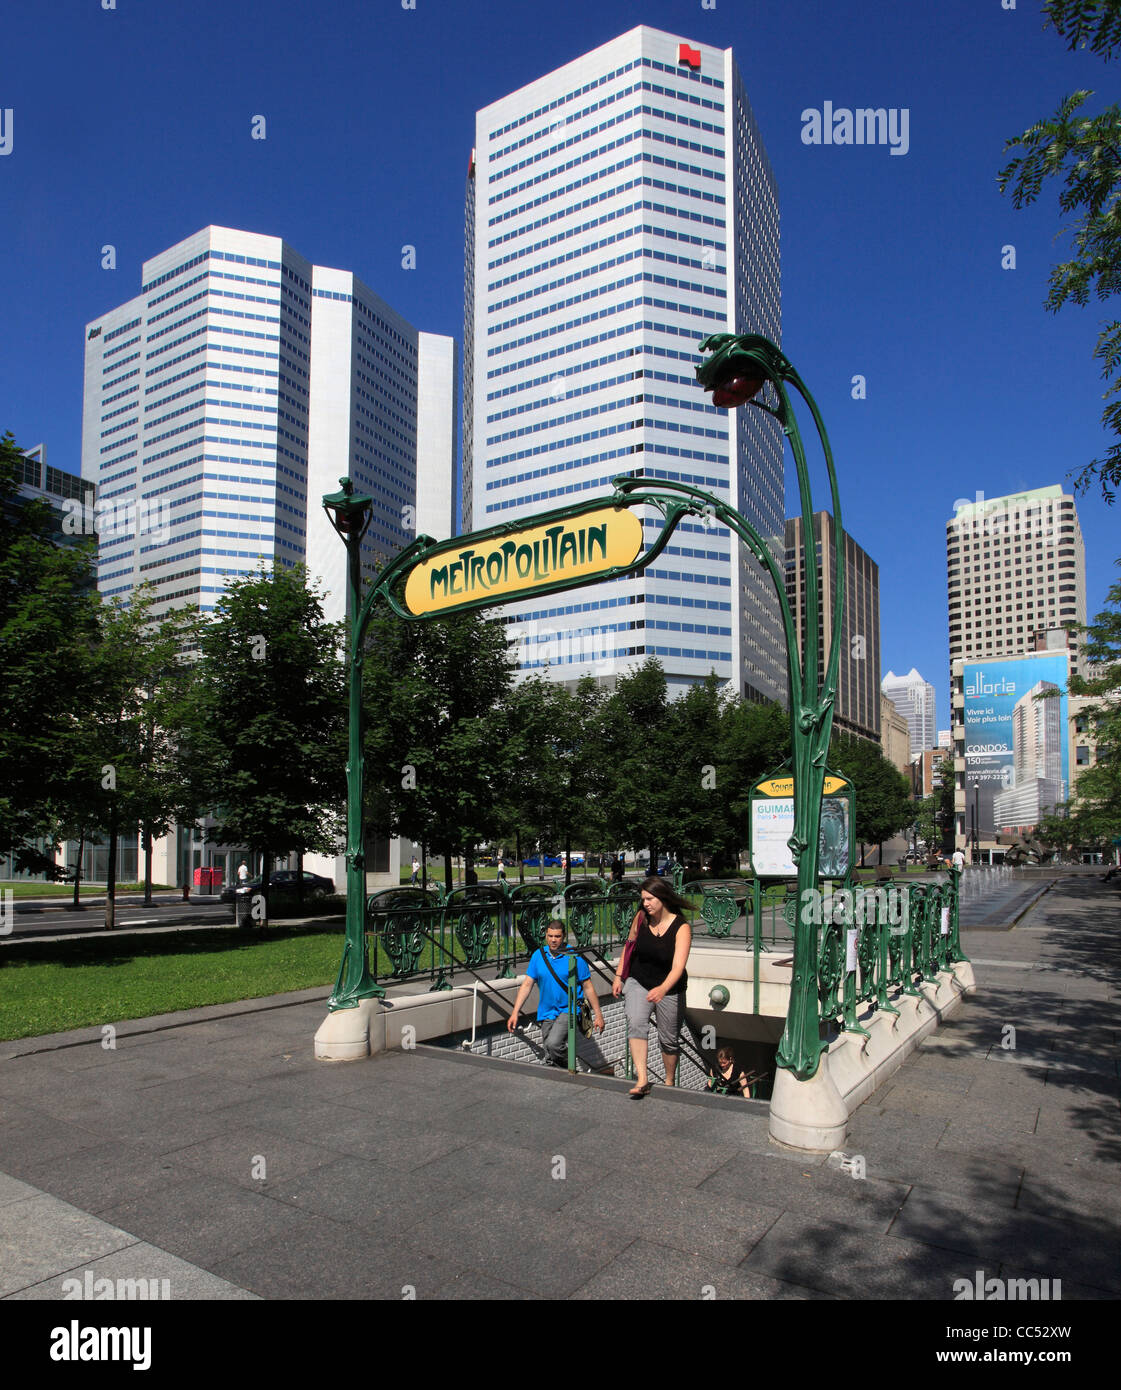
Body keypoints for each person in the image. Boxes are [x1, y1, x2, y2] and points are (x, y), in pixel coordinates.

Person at [612, 877, 692, 1098]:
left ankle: (668, 1080)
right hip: (639, 980)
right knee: (636, 1023)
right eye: (643, 899)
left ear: (662, 897)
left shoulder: (681, 927)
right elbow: (629, 948)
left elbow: (678, 967)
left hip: (670, 987)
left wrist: (663, 989)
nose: (645, 903)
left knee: (668, 1039)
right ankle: (642, 1078)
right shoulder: (641, 919)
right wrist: (619, 976)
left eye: (649, 899)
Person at [507, 922, 605, 1067]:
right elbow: (527, 984)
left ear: (564, 936)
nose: (553, 940)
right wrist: (515, 1012)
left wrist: (598, 1014)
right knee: (549, 1051)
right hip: (547, 1011)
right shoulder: (538, 956)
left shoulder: (574, 956)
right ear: (546, 936)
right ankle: (560, 1076)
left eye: (557, 936)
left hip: (569, 1009)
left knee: (553, 1044)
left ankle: (568, 1064)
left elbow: (588, 986)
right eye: (550, 936)